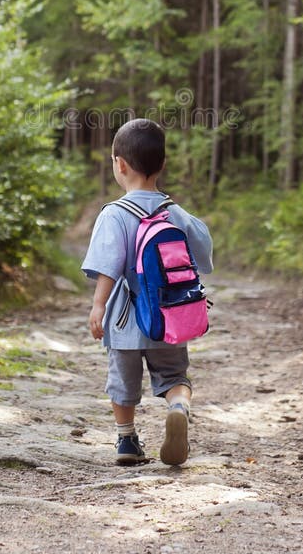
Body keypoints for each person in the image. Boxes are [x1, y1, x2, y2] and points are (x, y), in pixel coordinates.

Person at [82, 118, 213, 466]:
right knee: (174, 377)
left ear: (119, 164)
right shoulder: (174, 211)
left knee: (122, 384)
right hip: (170, 316)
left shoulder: (114, 214)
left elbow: (108, 266)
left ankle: (126, 440)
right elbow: (202, 255)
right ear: (162, 164)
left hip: (125, 321)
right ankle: (178, 407)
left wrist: (98, 306)